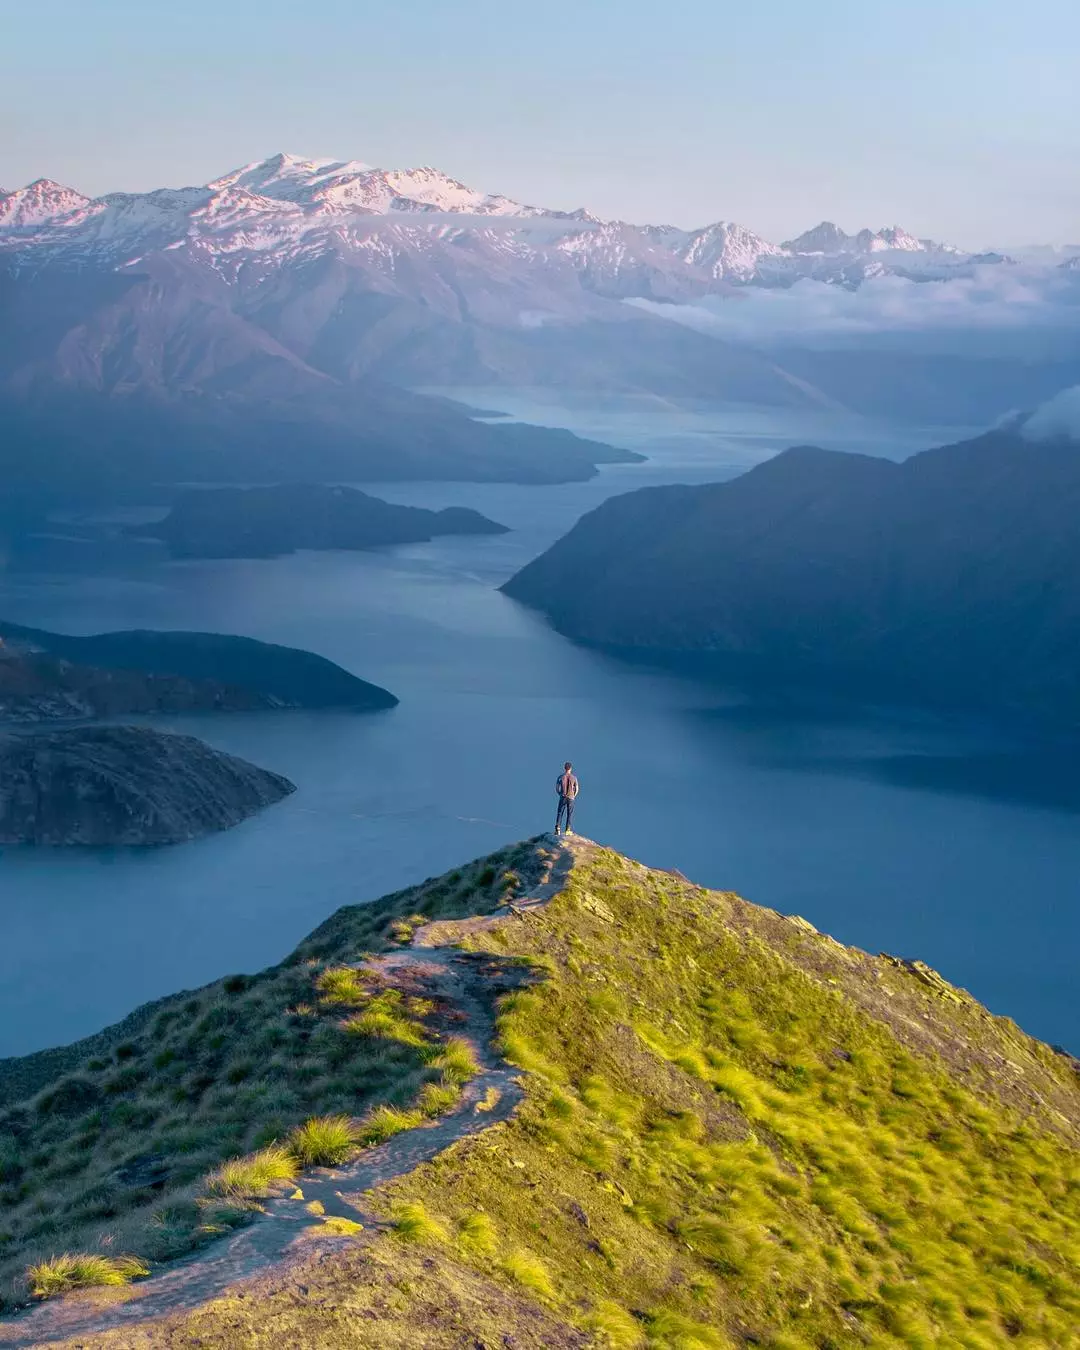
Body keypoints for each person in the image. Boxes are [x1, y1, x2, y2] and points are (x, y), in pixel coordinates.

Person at [554, 761, 579, 835]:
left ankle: (557, 829)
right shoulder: (574, 778)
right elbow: (577, 789)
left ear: (564, 768)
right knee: (569, 814)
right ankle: (568, 830)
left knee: (560, 812)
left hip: (563, 796)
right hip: (571, 797)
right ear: (570, 768)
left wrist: (560, 794)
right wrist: (574, 795)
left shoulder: (560, 777)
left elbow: (557, 788)